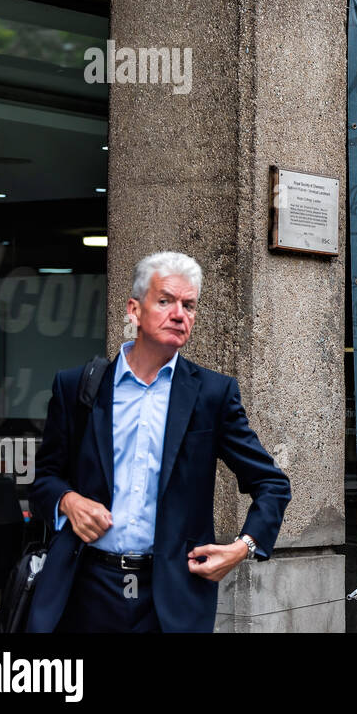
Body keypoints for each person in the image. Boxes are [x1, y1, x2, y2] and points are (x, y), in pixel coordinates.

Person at [27, 252, 292, 632]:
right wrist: (68, 501)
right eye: (165, 300)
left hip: (170, 599)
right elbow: (44, 480)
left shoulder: (212, 395)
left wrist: (242, 548)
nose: (179, 313)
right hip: (84, 588)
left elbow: (272, 484)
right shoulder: (78, 387)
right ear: (134, 309)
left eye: (189, 305)